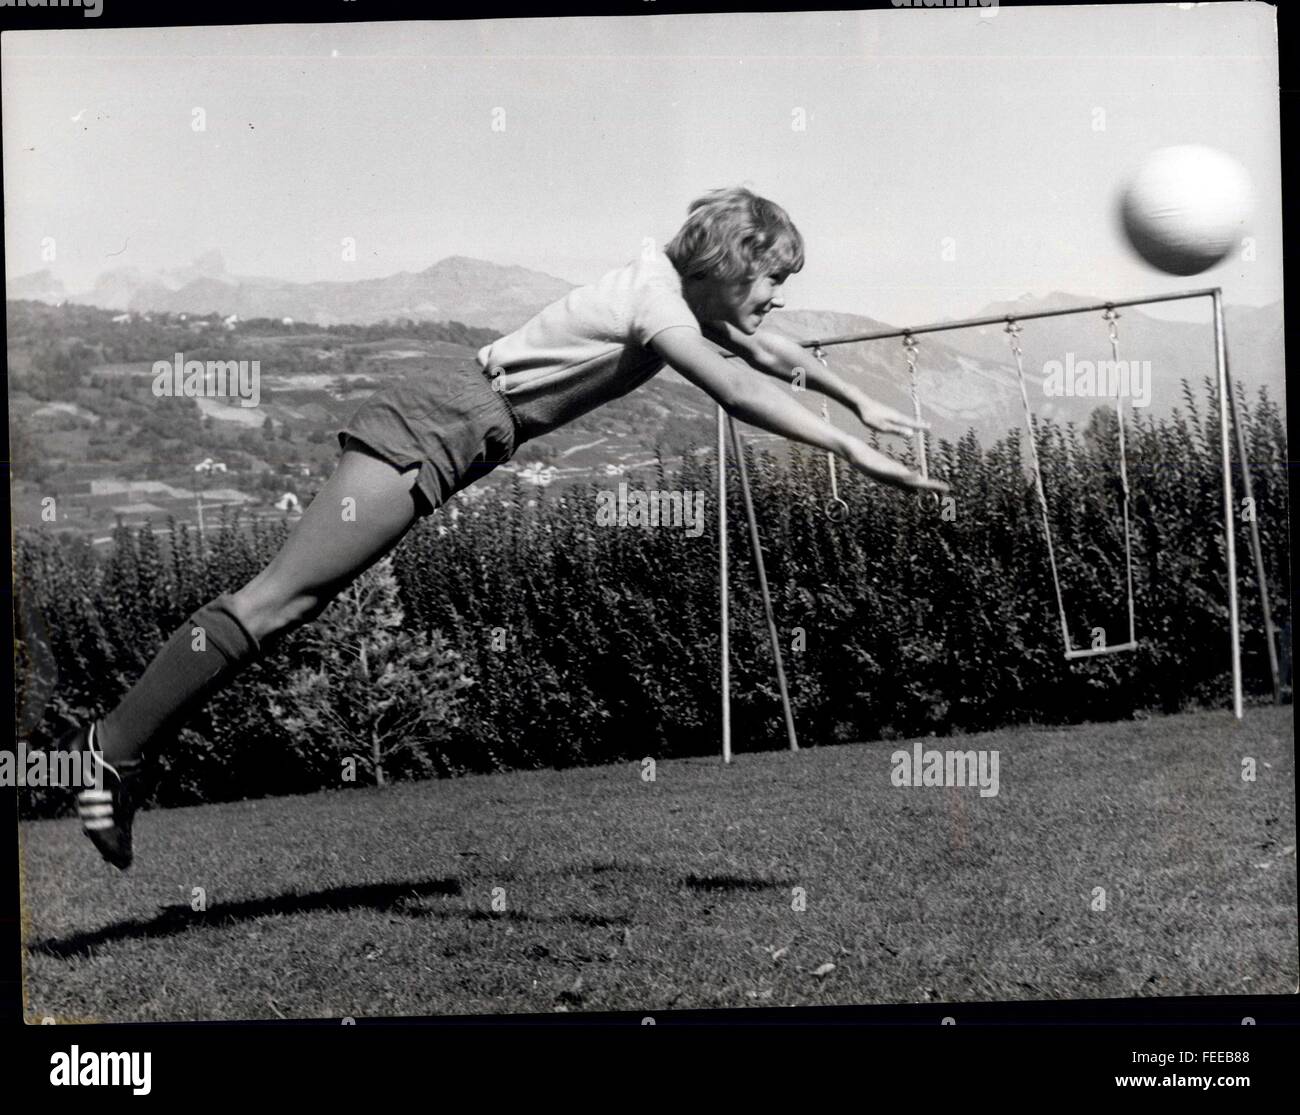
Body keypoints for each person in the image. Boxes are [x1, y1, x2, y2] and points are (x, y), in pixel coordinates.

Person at [63, 185, 947, 869]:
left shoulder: (678, 297)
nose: (779, 301)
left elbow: (766, 353)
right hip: (440, 421)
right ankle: (113, 750)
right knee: (277, 602)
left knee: (288, 606)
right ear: (723, 264)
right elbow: (740, 387)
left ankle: (122, 751)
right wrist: (854, 452)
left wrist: (858, 396)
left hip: (461, 428)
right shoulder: (654, 303)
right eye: (772, 282)